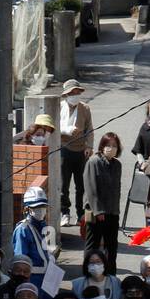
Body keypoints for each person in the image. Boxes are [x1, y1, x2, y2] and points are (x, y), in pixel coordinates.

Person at [11, 187, 54, 299]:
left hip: (50, 277)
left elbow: (49, 252)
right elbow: (20, 259)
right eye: (36, 208)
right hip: (32, 279)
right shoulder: (22, 230)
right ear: (27, 209)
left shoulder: (45, 227)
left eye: (43, 207)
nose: (41, 210)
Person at [83, 134, 123, 273]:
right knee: (93, 246)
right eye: (108, 145)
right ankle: (87, 274)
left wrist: (116, 211)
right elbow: (90, 188)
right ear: (102, 146)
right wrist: (98, 211)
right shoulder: (93, 162)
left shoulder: (117, 164)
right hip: (96, 212)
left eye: (114, 146)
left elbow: (117, 189)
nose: (111, 149)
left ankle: (110, 276)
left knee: (112, 247)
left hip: (112, 212)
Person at [58, 80, 94, 227]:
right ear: (66, 94)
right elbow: (54, 126)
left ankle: (80, 215)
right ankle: (64, 212)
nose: (75, 95)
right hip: (63, 149)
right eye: (72, 93)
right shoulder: (59, 107)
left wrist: (89, 146)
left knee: (81, 185)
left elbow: (89, 129)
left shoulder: (85, 108)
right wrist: (66, 130)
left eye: (77, 92)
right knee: (63, 184)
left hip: (80, 151)